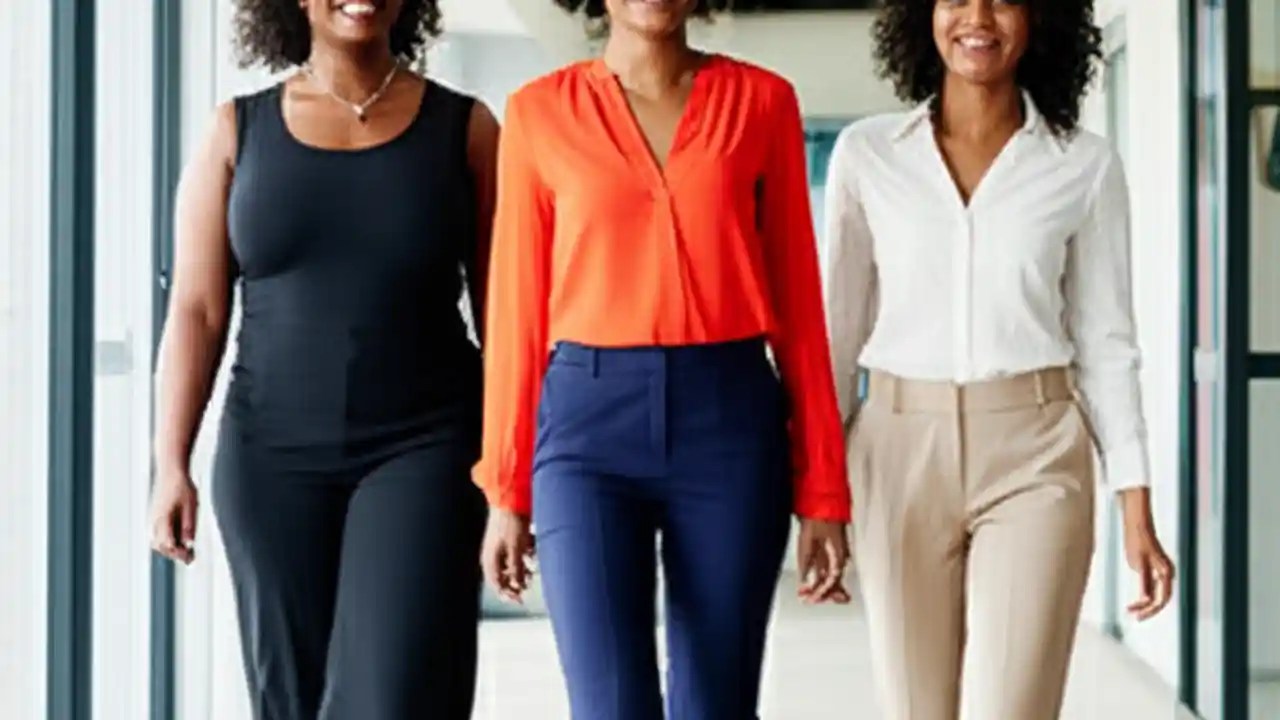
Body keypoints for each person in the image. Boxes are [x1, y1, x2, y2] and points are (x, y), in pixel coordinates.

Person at [475, 0, 853, 717]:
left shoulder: (762, 103)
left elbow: (802, 312)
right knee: (610, 704)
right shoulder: (538, 113)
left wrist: (824, 491)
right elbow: (516, 311)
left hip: (730, 421)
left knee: (716, 703)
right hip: (586, 432)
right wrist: (505, 489)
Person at [821, 1, 1176, 718]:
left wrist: (1135, 503)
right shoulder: (869, 155)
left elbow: (1108, 342)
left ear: (1039, 15)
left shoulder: (1084, 164)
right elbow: (837, 331)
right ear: (924, 14)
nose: (977, 17)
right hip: (895, 446)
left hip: (1036, 453)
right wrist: (819, 495)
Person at [146, 1, 498, 717]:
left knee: (394, 695)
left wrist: (519, 469)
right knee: (293, 703)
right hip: (269, 457)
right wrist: (170, 463)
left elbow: (507, 312)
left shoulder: (467, 128)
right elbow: (197, 309)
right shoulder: (235, 130)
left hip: (424, 448)